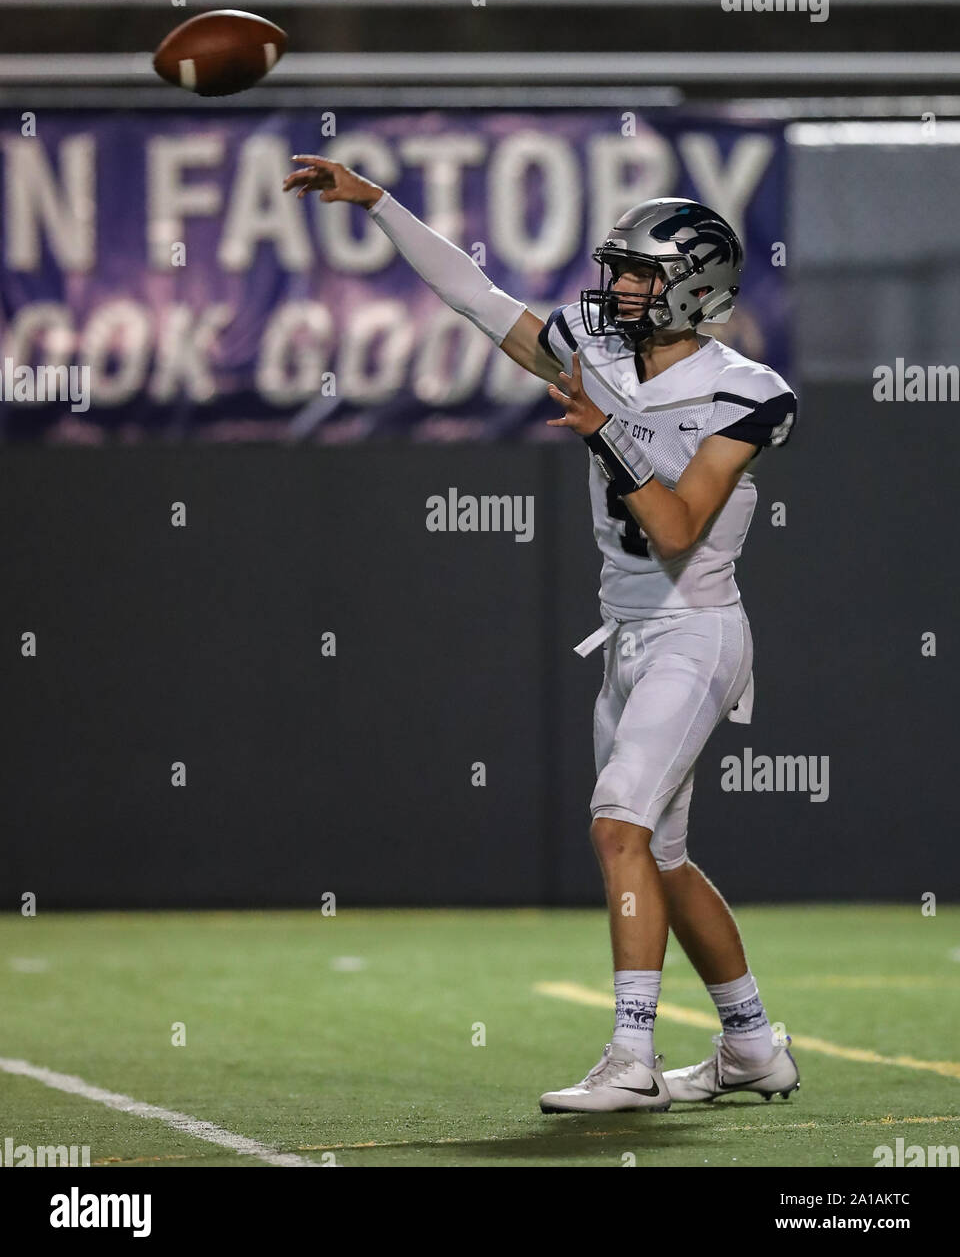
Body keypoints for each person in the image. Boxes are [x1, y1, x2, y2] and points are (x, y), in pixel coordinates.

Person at [283, 156, 801, 1113]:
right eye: (621, 271)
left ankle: (633, 1058)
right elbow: (478, 298)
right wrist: (382, 204)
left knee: (619, 826)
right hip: (627, 637)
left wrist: (607, 430)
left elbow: (681, 528)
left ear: (692, 289)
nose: (619, 291)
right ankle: (753, 1044)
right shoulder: (599, 350)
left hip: (698, 634)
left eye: (641, 275)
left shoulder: (746, 390)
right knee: (664, 859)